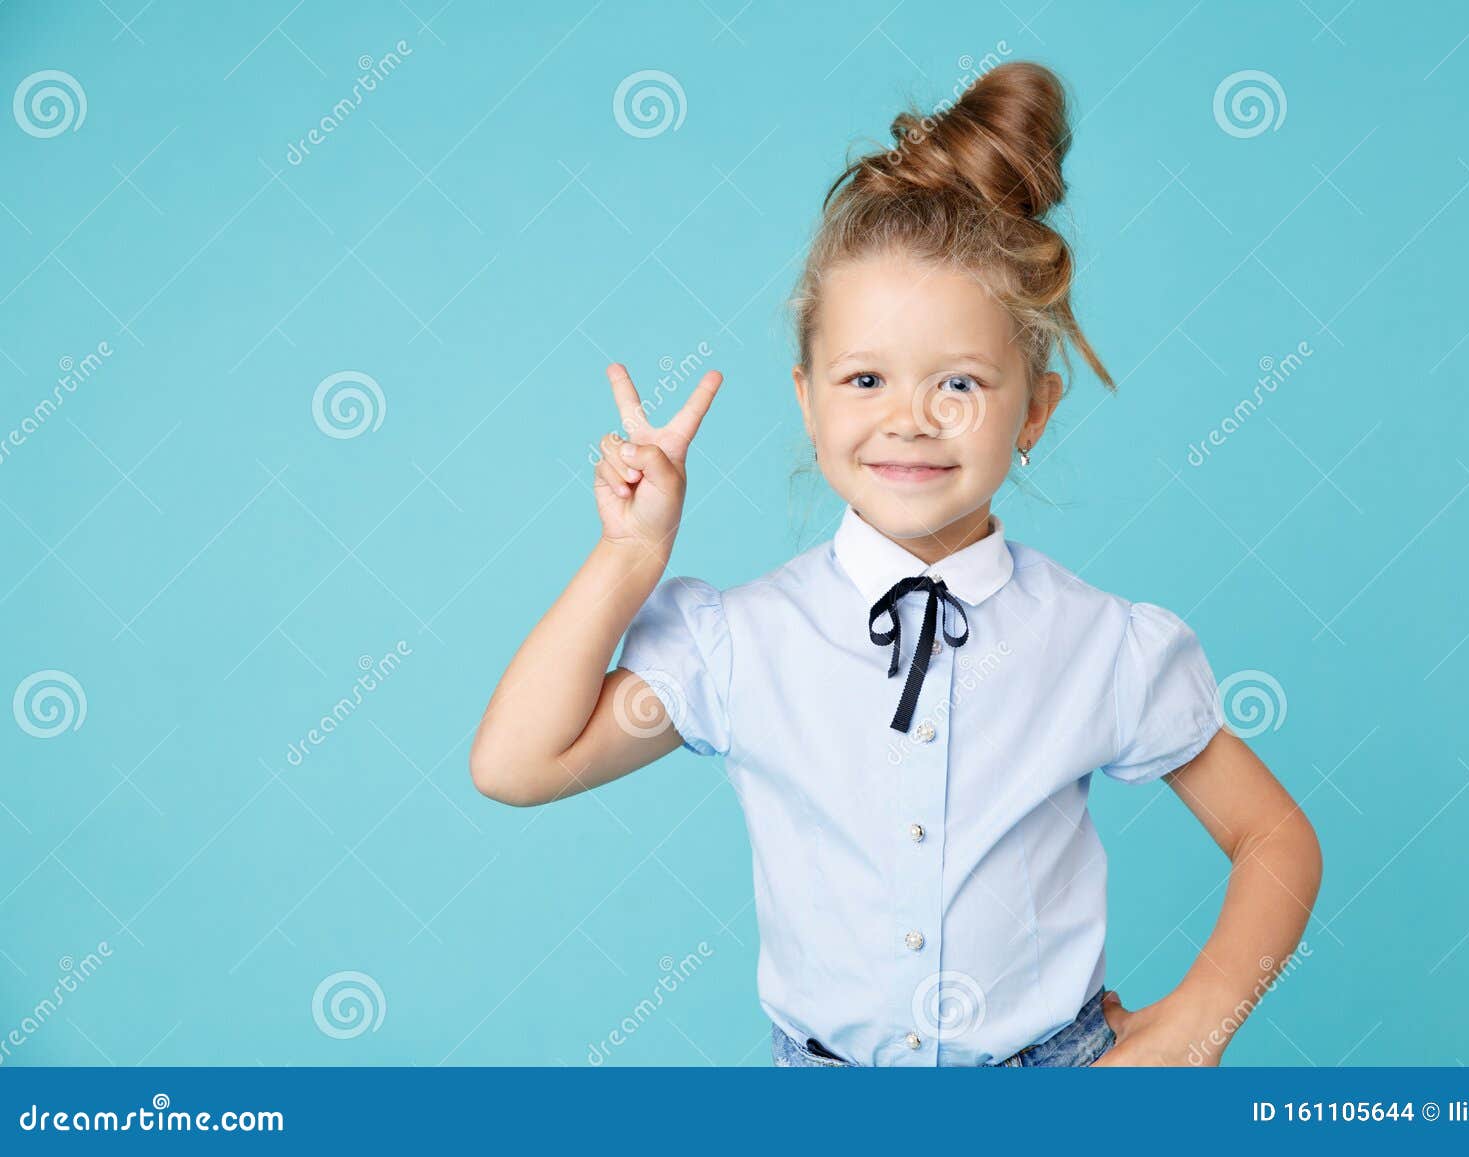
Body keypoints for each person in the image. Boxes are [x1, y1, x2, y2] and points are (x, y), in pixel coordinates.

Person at [470, 60, 1321, 1068]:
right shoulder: (740, 642)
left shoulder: (1100, 643)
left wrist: (1199, 1020)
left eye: (959, 382)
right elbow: (516, 765)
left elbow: (1275, 838)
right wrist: (630, 555)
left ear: (1035, 409)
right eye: (865, 378)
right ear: (807, 399)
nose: (909, 418)